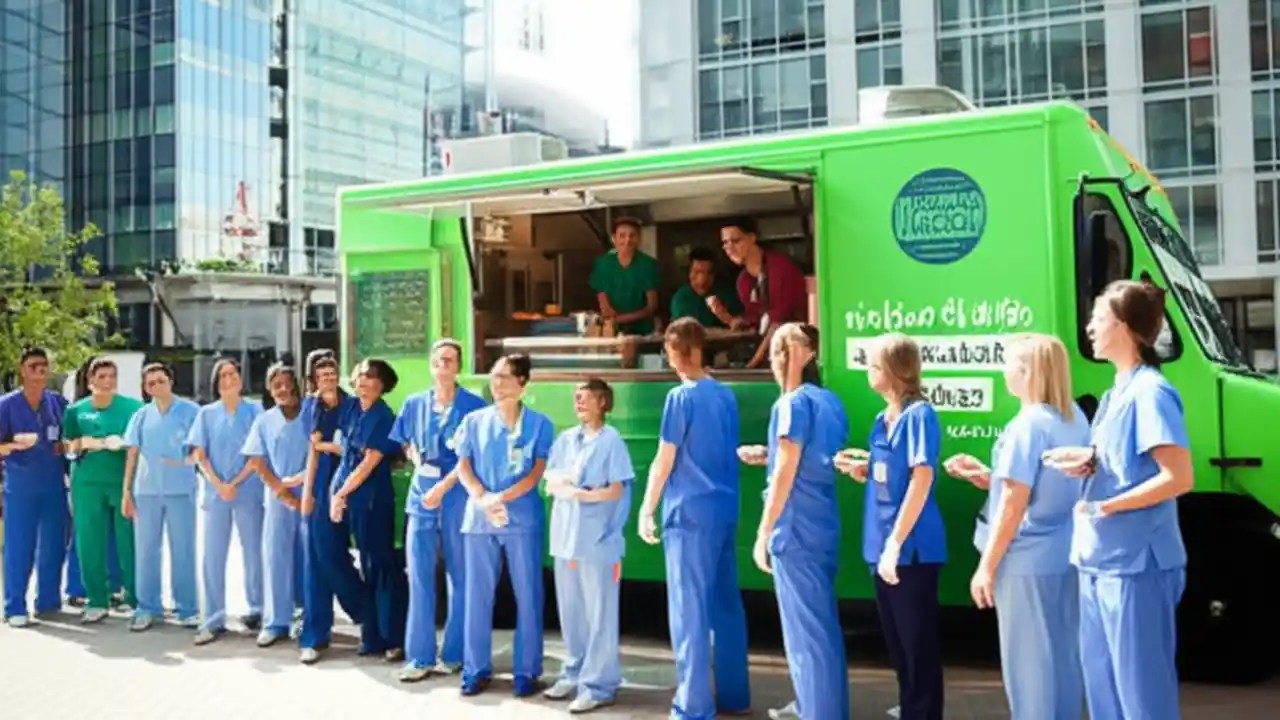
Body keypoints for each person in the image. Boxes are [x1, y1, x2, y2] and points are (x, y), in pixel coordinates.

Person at [1055, 280, 1194, 720]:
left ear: (1125, 327)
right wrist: (1090, 460)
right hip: (1100, 561)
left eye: (1097, 318)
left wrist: (1108, 506)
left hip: (1137, 567)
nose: (1089, 328)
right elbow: (1126, 462)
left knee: (1141, 697)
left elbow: (1178, 477)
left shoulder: (1151, 393)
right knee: (1104, 694)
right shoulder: (1117, 392)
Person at [942, 334, 1089, 719]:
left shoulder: (1027, 425)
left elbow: (1012, 504)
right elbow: (1043, 486)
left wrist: (986, 567)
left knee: (1029, 672)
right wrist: (990, 478)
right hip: (1065, 554)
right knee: (1062, 664)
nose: (1003, 370)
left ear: (1025, 372)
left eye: (1007, 363)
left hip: (1024, 561)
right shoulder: (1073, 417)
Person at [637, 318, 752, 719]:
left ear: (682, 352)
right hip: (723, 509)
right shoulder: (725, 396)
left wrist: (647, 508)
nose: (670, 364)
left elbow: (665, 458)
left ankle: (693, 704)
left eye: (670, 355)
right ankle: (735, 695)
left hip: (688, 513)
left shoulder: (680, 398)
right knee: (725, 604)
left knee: (689, 611)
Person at [741, 323, 850, 720]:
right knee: (822, 628)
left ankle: (816, 711)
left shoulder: (789, 404)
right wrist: (768, 455)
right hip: (822, 522)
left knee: (805, 635)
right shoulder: (829, 402)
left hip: (795, 527)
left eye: (774, 354)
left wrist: (763, 530)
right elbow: (807, 458)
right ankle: (818, 704)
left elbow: (788, 466)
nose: (771, 363)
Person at [841, 332, 946, 720]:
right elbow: (892, 471)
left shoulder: (919, 415)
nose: (868, 371)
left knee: (917, 645)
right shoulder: (881, 419)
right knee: (899, 645)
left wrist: (896, 543)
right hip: (881, 547)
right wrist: (865, 468)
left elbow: (921, 478)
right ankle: (911, 710)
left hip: (910, 551)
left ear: (894, 370)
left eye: (873, 364)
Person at [452, 353, 555, 697]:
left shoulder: (540, 424)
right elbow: (463, 466)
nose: (496, 384)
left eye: (504, 377)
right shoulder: (474, 421)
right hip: (480, 517)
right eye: (493, 377)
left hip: (521, 517)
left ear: (522, 383)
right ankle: (475, 668)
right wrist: (483, 498)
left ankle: (526, 670)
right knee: (477, 594)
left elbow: (537, 470)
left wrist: (502, 499)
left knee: (528, 594)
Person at [390, 339, 487, 682]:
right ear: (430, 365)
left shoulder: (474, 406)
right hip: (422, 489)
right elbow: (404, 440)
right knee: (418, 573)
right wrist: (416, 460)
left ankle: (456, 653)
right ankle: (419, 656)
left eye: (449, 360)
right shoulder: (415, 403)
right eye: (438, 360)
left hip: (457, 491)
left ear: (459, 366)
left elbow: (471, 456)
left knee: (459, 574)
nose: (443, 365)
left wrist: (443, 487)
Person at [541, 378, 634, 713]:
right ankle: (574, 672)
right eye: (576, 398)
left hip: (598, 539)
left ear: (603, 403)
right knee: (572, 612)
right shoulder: (567, 440)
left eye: (585, 398)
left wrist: (582, 493)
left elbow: (617, 490)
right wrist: (563, 485)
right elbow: (550, 480)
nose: (578, 403)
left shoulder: (611, 442)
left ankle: (599, 684)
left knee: (600, 615)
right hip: (566, 538)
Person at [329, 358, 408, 661]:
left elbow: (368, 462)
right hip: (346, 494)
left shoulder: (383, 417)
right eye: (360, 375)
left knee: (380, 567)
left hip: (371, 500)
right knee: (339, 559)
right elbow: (345, 448)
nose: (363, 381)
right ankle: (370, 629)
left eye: (371, 377)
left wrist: (341, 494)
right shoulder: (350, 408)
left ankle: (391, 638)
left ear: (382, 384)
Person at [187, 358, 265, 645]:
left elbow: (258, 453)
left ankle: (258, 610)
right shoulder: (207, 414)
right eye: (223, 375)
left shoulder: (256, 410)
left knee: (254, 551)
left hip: (249, 489)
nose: (229, 379)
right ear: (216, 383)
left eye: (233, 374)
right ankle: (213, 618)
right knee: (213, 555)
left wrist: (236, 482)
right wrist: (219, 484)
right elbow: (199, 454)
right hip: (216, 492)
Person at [297, 350, 367, 665]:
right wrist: (307, 492)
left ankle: (367, 613)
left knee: (334, 554)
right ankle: (315, 634)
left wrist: (328, 445)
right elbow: (312, 452)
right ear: (313, 378)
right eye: (321, 373)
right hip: (322, 483)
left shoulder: (352, 404)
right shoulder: (311, 407)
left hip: (350, 483)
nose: (327, 377)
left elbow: (352, 446)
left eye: (331, 371)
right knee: (315, 559)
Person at [61, 357, 142, 624]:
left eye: (112, 377)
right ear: (91, 380)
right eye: (102, 377)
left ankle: (132, 597)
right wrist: (86, 442)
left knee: (127, 541)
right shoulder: (76, 411)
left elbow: (140, 445)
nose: (107, 382)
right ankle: (96, 599)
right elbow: (67, 447)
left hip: (121, 482)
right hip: (86, 483)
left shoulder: (132, 408)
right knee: (89, 541)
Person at [122, 362, 201, 631]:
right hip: (146, 492)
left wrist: (185, 462)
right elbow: (131, 455)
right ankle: (147, 607)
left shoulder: (191, 411)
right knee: (145, 551)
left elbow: (202, 449)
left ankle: (187, 608)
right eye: (151, 383)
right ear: (145, 388)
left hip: (181, 491)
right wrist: (126, 493)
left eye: (161, 380)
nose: (156, 386)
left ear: (170, 381)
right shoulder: (141, 416)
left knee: (183, 549)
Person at [0, 348, 70, 627]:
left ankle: (48, 602)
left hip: (53, 483)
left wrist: (65, 447)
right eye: (33, 366)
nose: (40, 371)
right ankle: (14, 605)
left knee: (54, 543)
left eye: (44, 366)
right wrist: (13, 446)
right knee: (19, 546)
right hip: (20, 486)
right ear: (22, 370)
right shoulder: (6, 405)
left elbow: (68, 440)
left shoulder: (57, 403)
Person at [242, 363, 310, 647]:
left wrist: (303, 487)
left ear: (296, 383)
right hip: (278, 496)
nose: (283, 389)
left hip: (309, 496)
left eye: (286, 383)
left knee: (309, 559)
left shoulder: (311, 416)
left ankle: (308, 617)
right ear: (270, 390)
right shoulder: (264, 421)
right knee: (276, 558)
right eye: (276, 385)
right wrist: (282, 491)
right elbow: (256, 460)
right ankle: (276, 622)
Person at [720, 217, 808, 368]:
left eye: (735, 241)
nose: (729, 248)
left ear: (752, 238)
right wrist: (740, 323)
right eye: (725, 243)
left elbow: (778, 322)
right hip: (769, 352)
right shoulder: (743, 281)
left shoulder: (781, 268)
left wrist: (752, 365)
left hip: (796, 352)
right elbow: (757, 320)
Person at [589, 216, 660, 335]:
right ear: (614, 239)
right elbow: (604, 304)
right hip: (612, 331)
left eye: (632, 235)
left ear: (639, 239)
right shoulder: (602, 264)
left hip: (642, 332)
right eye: (622, 236)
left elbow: (651, 306)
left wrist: (623, 319)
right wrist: (614, 321)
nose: (627, 240)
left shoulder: (648, 265)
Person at [669, 246, 742, 328]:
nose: (703, 280)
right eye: (697, 272)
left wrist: (726, 317)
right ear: (689, 273)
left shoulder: (727, 294)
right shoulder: (681, 298)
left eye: (709, 273)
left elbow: (741, 324)